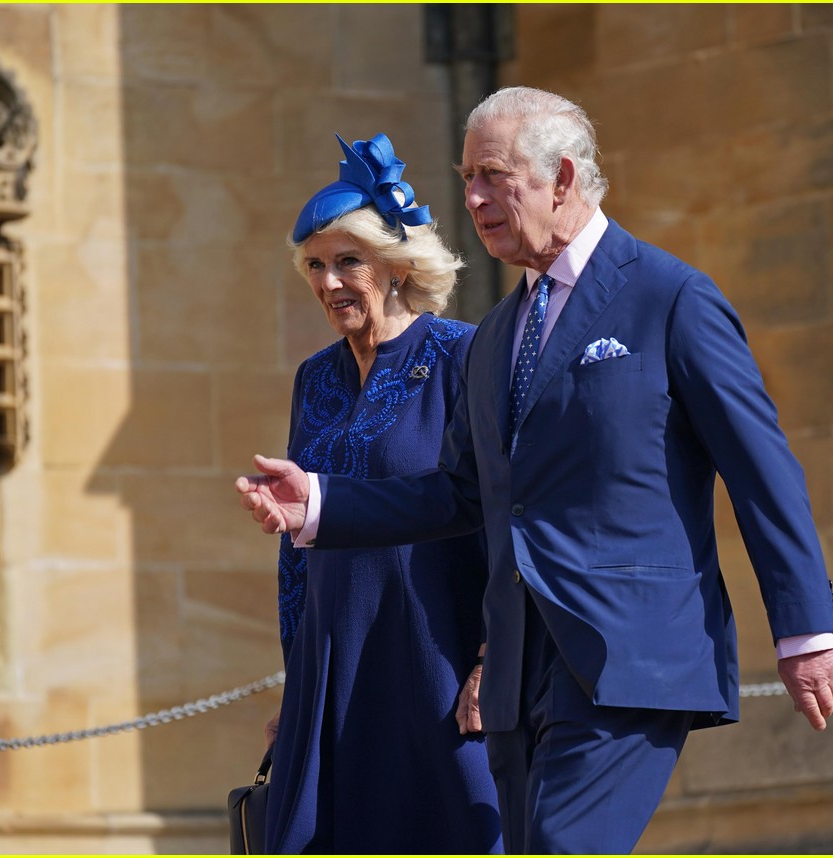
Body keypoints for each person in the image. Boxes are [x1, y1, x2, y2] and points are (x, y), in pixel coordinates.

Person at [238, 89, 833, 854]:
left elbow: (762, 469)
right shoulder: (497, 335)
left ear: (562, 179)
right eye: (467, 179)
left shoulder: (669, 297)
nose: (473, 198)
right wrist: (321, 506)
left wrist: (806, 631)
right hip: (521, 675)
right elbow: (459, 494)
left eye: (493, 176)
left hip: (629, 654)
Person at [260, 132, 502, 855]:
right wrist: (297, 679)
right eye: (315, 266)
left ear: (396, 266)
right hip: (334, 661)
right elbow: (297, 547)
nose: (329, 282)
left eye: (347, 262)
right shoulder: (315, 378)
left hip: (435, 655)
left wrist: (496, 660)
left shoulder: (463, 354)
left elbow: (501, 518)